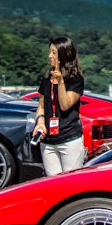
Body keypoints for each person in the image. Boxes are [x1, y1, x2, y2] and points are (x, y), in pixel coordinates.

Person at [31, 37, 86, 175]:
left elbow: (65, 104)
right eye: (49, 52)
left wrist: (60, 81)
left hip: (69, 139)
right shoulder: (46, 78)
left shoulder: (76, 79)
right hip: (48, 141)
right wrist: (40, 122)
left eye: (54, 53)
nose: (50, 56)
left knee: (71, 183)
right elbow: (41, 106)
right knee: (52, 183)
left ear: (64, 55)